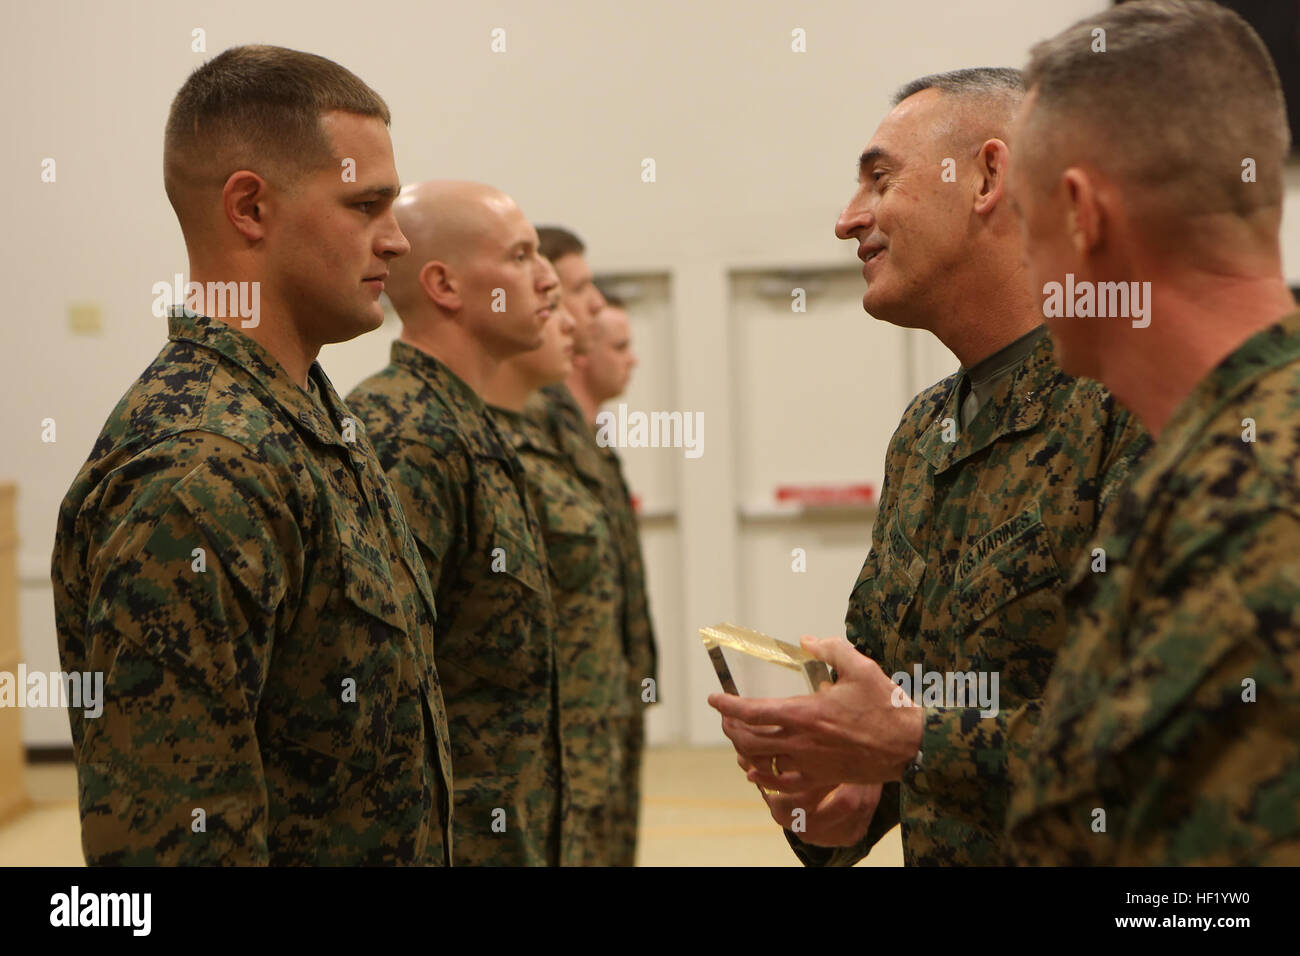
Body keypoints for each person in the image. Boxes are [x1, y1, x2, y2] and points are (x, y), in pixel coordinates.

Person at [707, 68, 1149, 866]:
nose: (848, 221)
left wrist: (910, 744)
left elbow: (1167, 735)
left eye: (880, 179)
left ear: (988, 177)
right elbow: (911, 704)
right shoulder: (925, 432)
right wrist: (856, 798)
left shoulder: (1139, 398)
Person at [51, 45, 453, 865]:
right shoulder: (199, 471)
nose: (398, 241)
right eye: (365, 205)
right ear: (250, 209)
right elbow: (174, 845)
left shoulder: (309, 419)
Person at [1004, 0, 1300, 864]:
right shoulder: (1213, 460)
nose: (1027, 265)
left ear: (1083, 214)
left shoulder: (1248, 513)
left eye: (1024, 223)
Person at [347, 181, 564, 866]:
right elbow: (384, 687)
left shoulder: (466, 421)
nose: (548, 278)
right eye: (522, 255)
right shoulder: (407, 434)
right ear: (444, 285)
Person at [483, 297, 627, 865]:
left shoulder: (545, 438)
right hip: (517, 772)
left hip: (580, 740)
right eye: (556, 301)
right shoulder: (464, 440)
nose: (574, 320)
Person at [533, 226, 657, 865]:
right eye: (577, 289)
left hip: (604, 706)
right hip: (566, 728)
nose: (590, 306)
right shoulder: (528, 425)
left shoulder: (579, 437)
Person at [566, 293, 639, 423]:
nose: (633, 361)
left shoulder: (593, 429)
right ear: (581, 351)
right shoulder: (554, 427)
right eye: (620, 347)